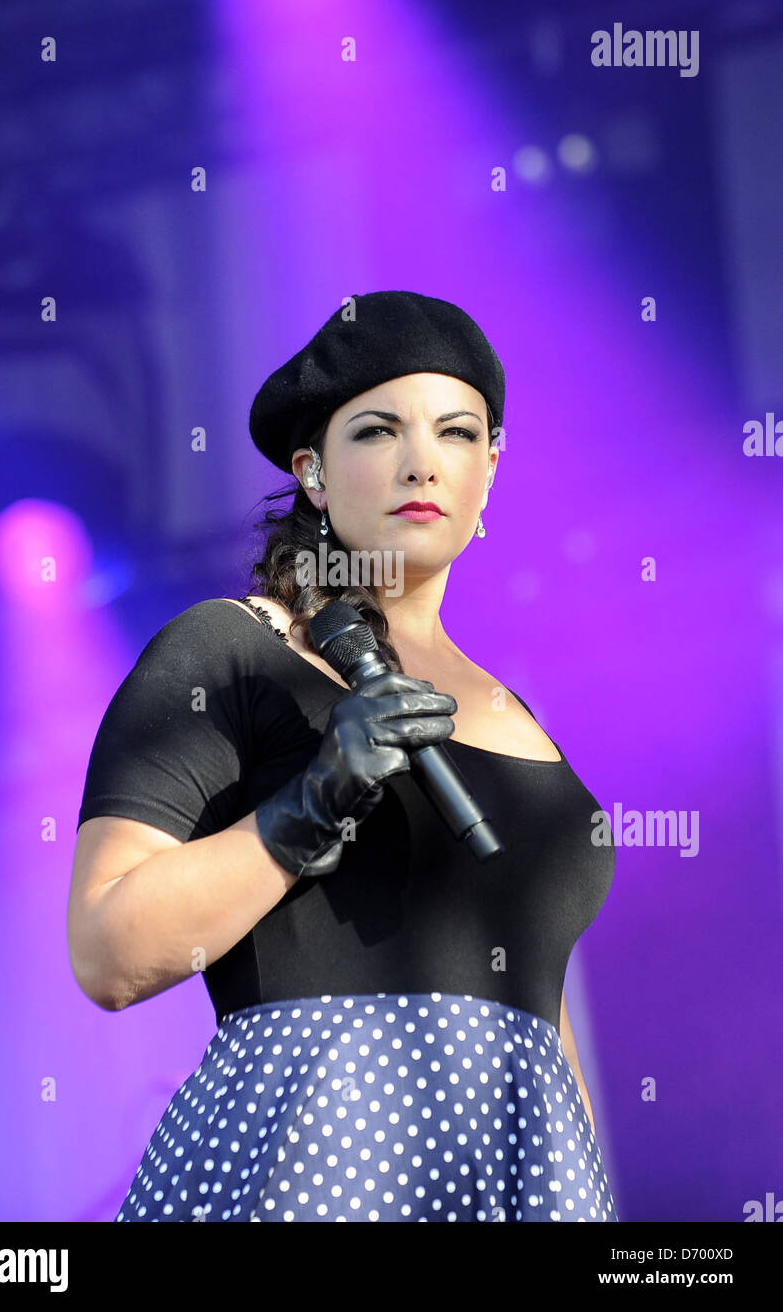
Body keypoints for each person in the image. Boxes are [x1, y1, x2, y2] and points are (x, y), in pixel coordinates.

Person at [68, 289, 618, 1222]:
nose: (419, 462)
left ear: (490, 468)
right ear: (312, 472)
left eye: (455, 433)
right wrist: (313, 801)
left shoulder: (521, 714)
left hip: (529, 1173)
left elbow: (539, 1006)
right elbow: (109, 952)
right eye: (375, 432)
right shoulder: (232, 651)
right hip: (319, 1155)